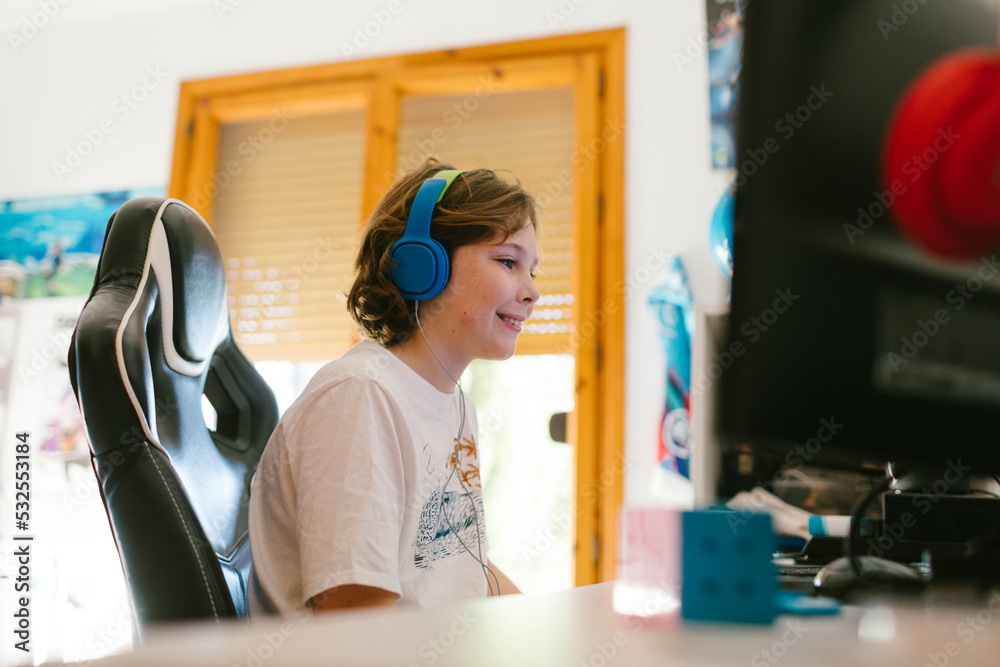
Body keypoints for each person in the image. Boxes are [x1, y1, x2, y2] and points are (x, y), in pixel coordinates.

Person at [248, 159, 539, 614]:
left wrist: (547, 627)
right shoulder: (361, 396)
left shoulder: (456, 406)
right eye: (508, 262)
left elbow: (460, 564)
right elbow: (357, 617)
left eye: (532, 270)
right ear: (423, 266)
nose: (532, 292)